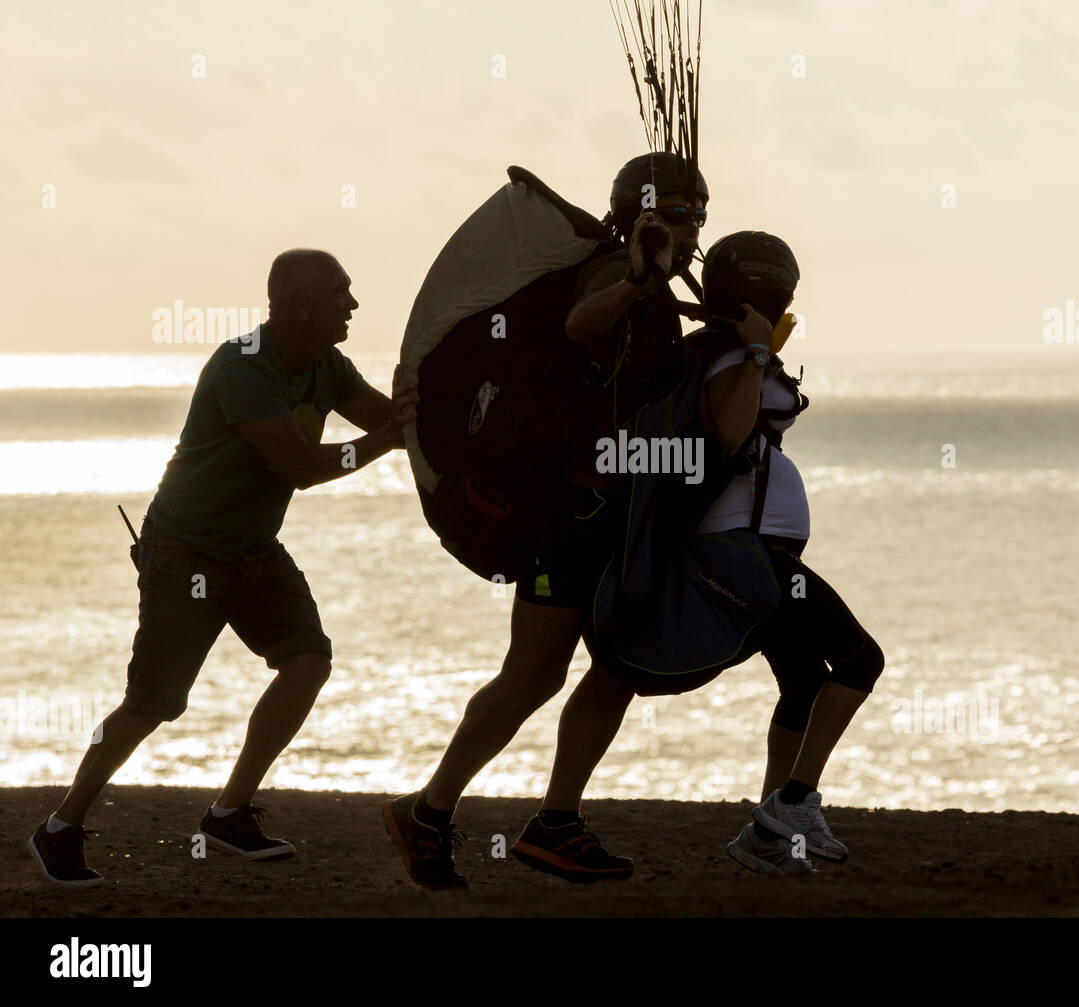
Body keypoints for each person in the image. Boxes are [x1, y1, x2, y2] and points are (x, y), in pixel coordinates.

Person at [29, 249, 418, 889]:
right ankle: (59, 828)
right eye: (340, 294)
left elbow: (387, 416)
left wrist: (423, 404)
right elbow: (302, 466)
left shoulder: (326, 364)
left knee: (307, 662)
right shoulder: (243, 367)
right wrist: (387, 439)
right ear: (298, 305)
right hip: (185, 552)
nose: (352, 305)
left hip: (254, 550)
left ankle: (228, 813)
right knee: (153, 703)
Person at [515, 232, 885, 880]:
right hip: (741, 553)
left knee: (801, 677)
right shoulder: (723, 353)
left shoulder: (717, 348)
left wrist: (760, 350)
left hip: (752, 547)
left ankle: (772, 827)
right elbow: (728, 430)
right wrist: (756, 350)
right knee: (859, 658)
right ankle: (790, 805)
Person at [383, 153, 708, 887]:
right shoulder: (609, 273)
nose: (689, 230)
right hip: (568, 516)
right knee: (533, 675)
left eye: (697, 216)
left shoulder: (654, 287)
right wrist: (635, 280)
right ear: (639, 215)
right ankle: (428, 811)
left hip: (614, 513)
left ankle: (556, 821)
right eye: (677, 214)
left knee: (621, 663)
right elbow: (576, 325)